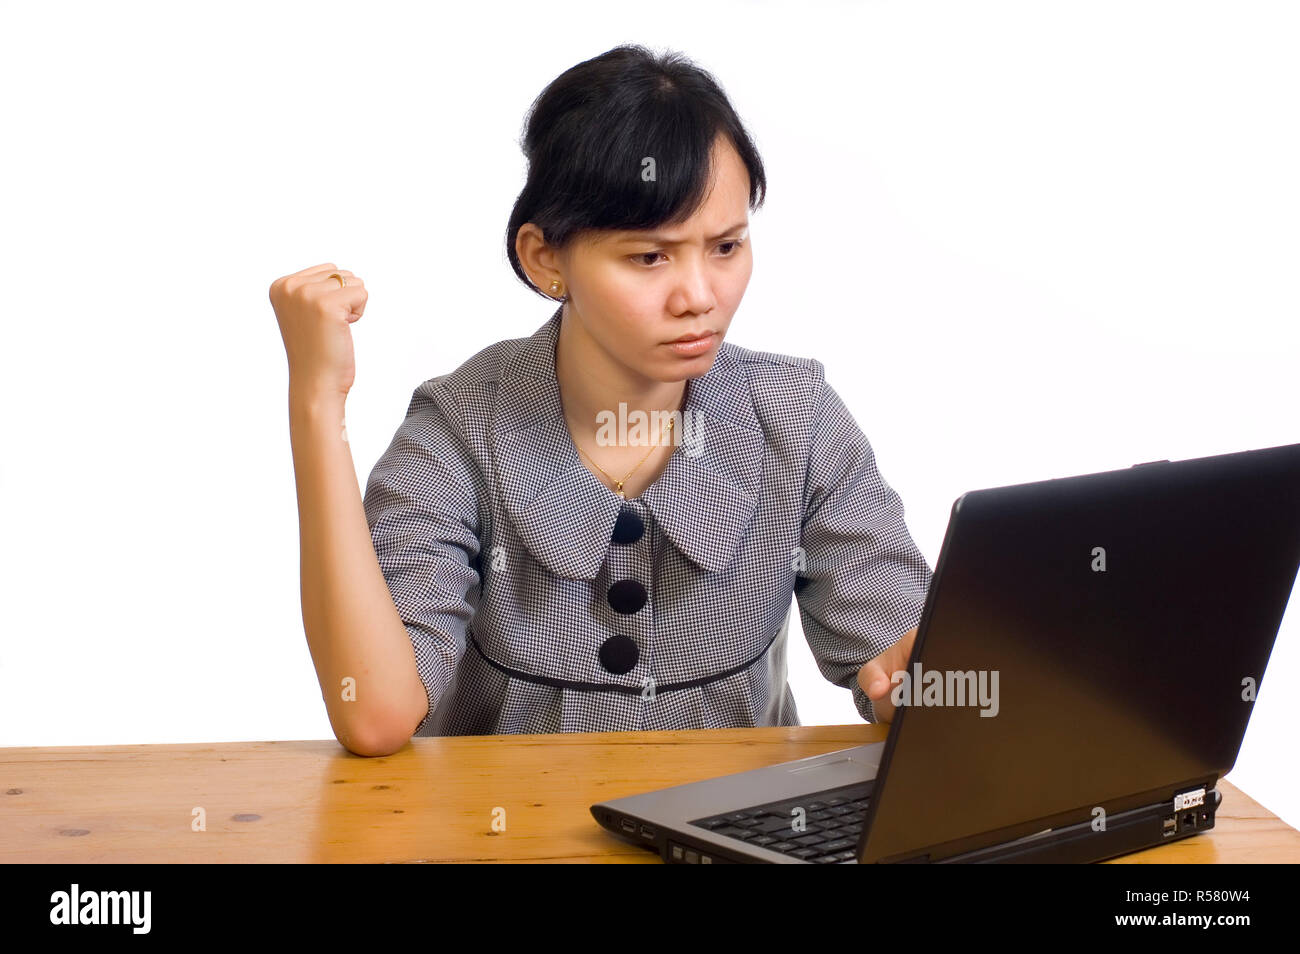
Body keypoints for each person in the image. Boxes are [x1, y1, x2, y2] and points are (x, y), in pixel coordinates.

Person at [271, 44, 932, 757]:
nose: (700, 297)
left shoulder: (794, 420)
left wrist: (922, 685)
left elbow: (906, 657)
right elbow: (374, 715)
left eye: (726, 247)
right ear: (544, 258)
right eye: (649, 257)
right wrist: (317, 402)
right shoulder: (461, 432)